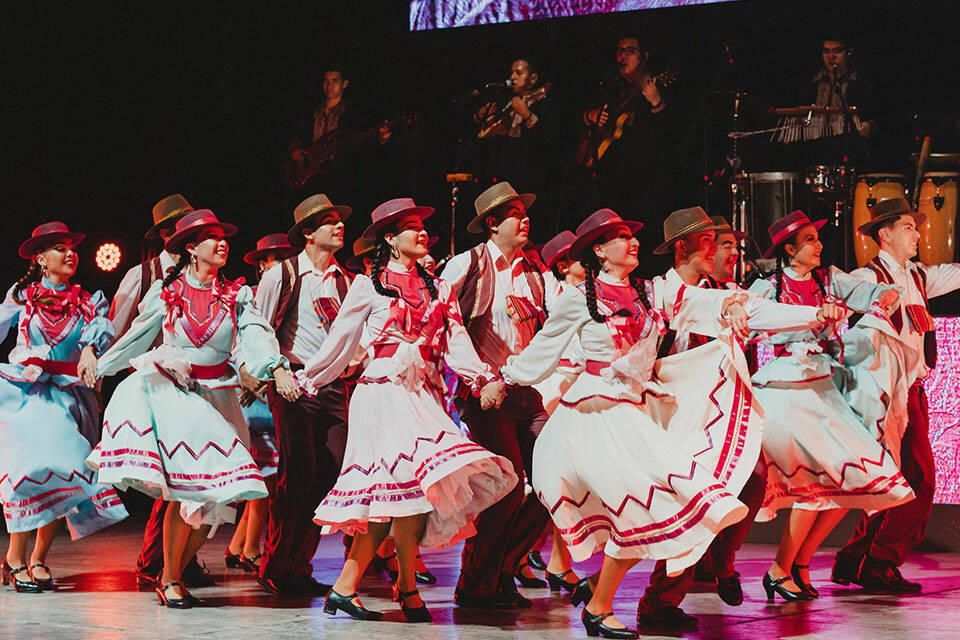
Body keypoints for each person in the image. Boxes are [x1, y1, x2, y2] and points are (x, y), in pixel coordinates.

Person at [501, 208, 763, 639]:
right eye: (621, 236)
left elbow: (702, 302)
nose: (634, 241)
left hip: (632, 415)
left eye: (631, 234)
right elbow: (542, 351)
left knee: (658, 507)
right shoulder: (578, 298)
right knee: (637, 506)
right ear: (600, 251)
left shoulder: (649, 291)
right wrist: (503, 379)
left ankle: (596, 597)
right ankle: (598, 604)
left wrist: (736, 304)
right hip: (592, 418)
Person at [291, 197, 518, 622]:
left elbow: (457, 341)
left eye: (421, 225)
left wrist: (480, 377)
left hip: (421, 393)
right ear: (391, 240)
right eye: (411, 227)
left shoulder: (439, 288)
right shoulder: (368, 285)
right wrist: (311, 378)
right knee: (392, 491)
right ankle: (386, 588)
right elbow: (341, 340)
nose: (422, 232)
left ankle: (382, 587)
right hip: (381, 392)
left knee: (415, 493)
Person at [87, 209, 298, 609]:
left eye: (223, 237)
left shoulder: (236, 295)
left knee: (218, 500)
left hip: (219, 398)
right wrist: (101, 366)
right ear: (190, 247)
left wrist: (276, 367)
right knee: (183, 492)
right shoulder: (167, 292)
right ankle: (170, 578)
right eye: (211, 238)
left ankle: (174, 573)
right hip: (177, 396)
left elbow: (256, 335)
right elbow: (136, 336)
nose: (222, 244)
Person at [636, 207, 829, 625]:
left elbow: (762, 311)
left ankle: (722, 561)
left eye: (716, 241)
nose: (716, 249)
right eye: (707, 241)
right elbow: (686, 316)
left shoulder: (726, 292)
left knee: (754, 480)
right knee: (685, 505)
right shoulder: (656, 293)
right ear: (681, 247)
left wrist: (815, 314)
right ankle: (659, 602)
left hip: (719, 413)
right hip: (673, 414)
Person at [747, 210, 914, 602]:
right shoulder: (768, 286)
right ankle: (780, 569)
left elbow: (873, 293)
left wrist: (883, 298)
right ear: (789, 250)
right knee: (816, 483)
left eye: (817, 238)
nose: (819, 245)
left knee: (851, 479)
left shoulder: (829, 279)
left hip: (826, 380)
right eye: (809, 240)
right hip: (789, 386)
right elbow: (751, 321)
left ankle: (798, 562)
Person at [440, 182, 558, 609]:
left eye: (525, 213)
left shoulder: (537, 271)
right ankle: (476, 585)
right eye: (515, 214)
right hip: (484, 394)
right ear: (492, 223)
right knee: (505, 488)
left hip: (525, 392)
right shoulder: (466, 265)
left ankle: (503, 569)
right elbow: (446, 324)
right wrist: (478, 378)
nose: (525, 220)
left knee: (553, 481)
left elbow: (563, 319)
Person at [832, 197, 960, 591]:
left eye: (915, 228)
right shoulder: (866, 276)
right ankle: (879, 561)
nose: (917, 234)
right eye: (908, 227)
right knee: (919, 480)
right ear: (884, 234)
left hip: (913, 390)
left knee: (892, 479)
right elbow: (837, 301)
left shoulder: (918, 276)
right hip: (886, 393)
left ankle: (854, 560)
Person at [0, 222, 127, 594]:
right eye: (60, 248)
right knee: (31, 468)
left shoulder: (88, 300)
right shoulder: (23, 295)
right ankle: (15, 557)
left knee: (62, 472)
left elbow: (101, 332)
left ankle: (38, 558)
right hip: (29, 394)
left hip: (69, 394)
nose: (70, 254)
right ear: (40, 258)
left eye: (72, 248)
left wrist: (89, 348)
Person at [252, 194, 353, 596]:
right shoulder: (283, 274)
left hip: (333, 386)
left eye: (339, 220)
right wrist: (275, 372)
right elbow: (258, 329)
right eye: (329, 221)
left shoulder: (347, 280)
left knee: (331, 472)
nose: (339, 226)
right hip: (292, 382)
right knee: (298, 474)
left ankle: (299, 563)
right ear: (308, 233)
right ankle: (277, 564)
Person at [224, 234, 299, 574]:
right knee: (263, 476)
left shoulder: (291, 293)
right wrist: (245, 375)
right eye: (272, 259)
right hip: (252, 389)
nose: (278, 264)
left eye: (284, 258)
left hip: (274, 387)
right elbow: (235, 341)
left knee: (267, 475)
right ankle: (251, 547)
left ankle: (240, 544)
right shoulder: (247, 298)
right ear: (261, 266)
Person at [576, 37, 676, 247]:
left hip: (643, 182)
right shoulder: (610, 86)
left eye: (630, 51)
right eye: (619, 51)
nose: (623, 56)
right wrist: (590, 117)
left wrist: (657, 102)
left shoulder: (653, 83)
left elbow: (669, 135)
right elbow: (579, 118)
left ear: (644, 56)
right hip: (609, 179)